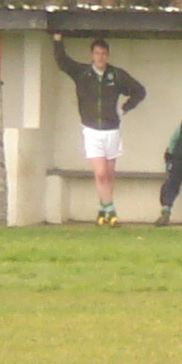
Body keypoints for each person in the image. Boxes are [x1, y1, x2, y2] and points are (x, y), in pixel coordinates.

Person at [54, 36, 146, 226]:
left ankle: (102, 210)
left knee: (110, 175)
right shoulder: (82, 73)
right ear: (91, 55)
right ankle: (112, 212)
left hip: (111, 130)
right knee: (101, 173)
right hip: (91, 129)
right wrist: (57, 40)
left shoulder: (116, 75)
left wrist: (124, 109)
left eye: (103, 54)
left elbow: (139, 91)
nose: (100, 57)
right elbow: (62, 62)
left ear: (108, 55)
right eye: (97, 53)